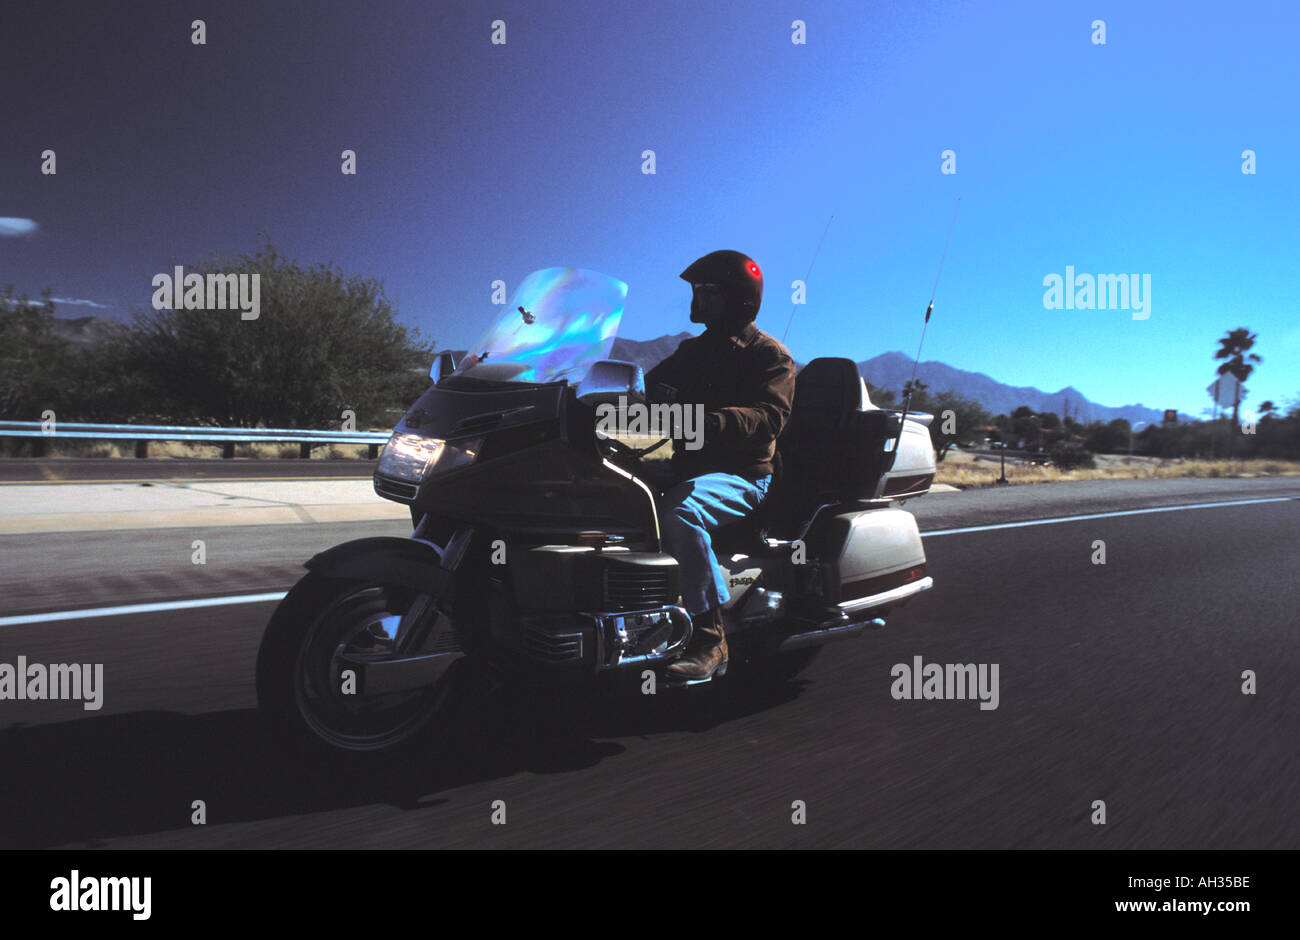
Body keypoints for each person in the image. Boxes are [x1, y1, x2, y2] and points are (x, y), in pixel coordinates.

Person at [644, 250, 796, 682]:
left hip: (745, 478)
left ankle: (711, 640)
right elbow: (648, 389)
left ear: (739, 298)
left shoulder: (771, 356)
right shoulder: (691, 351)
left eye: (709, 291)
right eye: (697, 291)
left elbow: (770, 418)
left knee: (680, 511)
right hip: (687, 468)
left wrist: (708, 422)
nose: (699, 299)